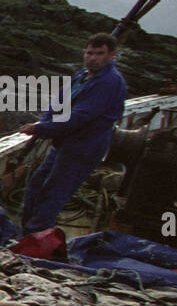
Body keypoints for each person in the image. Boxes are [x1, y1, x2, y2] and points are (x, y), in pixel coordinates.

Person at [18, 33, 127, 234]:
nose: (92, 58)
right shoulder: (82, 75)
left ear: (112, 55)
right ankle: (26, 232)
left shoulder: (110, 82)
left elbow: (79, 117)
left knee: (55, 191)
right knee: (37, 183)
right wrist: (44, 121)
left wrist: (41, 129)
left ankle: (36, 235)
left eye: (99, 54)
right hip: (63, 142)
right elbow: (59, 102)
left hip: (83, 148)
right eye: (89, 53)